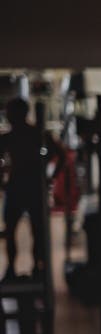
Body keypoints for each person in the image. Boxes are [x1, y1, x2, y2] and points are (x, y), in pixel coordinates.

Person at [0, 97, 45, 281]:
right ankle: (15, 266)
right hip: (22, 186)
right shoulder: (21, 135)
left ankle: (35, 267)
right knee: (13, 230)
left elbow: (59, 154)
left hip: (26, 186)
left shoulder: (34, 134)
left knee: (35, 230)